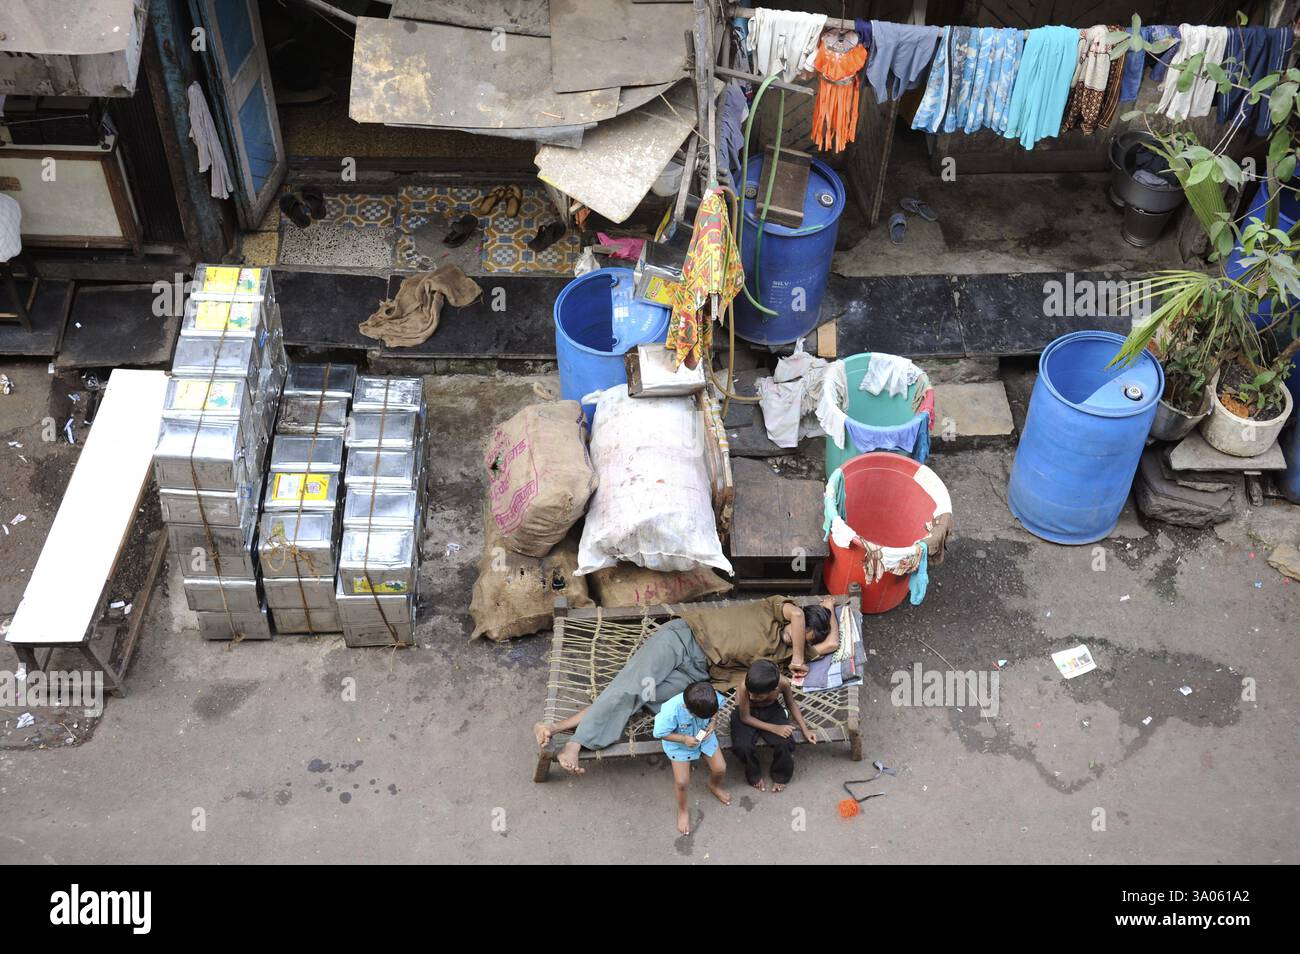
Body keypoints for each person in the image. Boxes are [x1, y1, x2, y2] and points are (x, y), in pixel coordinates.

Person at [533, 597, 838, 774]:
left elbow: (833, 643)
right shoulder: (777, 609)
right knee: (632, 686)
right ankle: (573, 745)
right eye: (807, 633)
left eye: (810, 638)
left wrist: (833, 609)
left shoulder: (785, 654)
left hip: (700, 675)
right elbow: (797, 615)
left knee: (641, 703)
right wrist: (800, 652)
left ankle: (554, 729)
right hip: (683, 638)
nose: (805, 638)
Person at [653, 681, 730, 834]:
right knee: (682, 782)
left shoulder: (710, 697)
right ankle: (682, 810)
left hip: (704, 736)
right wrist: (683, 739)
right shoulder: (671, 710)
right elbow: (659, 733)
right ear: (687, 709)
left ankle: (714, 786)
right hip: (680, 744)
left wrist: (713, 721)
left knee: (720, 768)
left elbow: (715, 709)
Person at [731, 659, 816, 792]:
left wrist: (805, 729)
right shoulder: (744, 687)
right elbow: (745, 717)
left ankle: (780, 775)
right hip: (746, 713)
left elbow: (791, 704)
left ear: (774, 689)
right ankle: (753, 774)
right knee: (742, 746)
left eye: (759, 696)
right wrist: (774, 728)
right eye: (751, 693)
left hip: (771, 710)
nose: (752, 697)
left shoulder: (783, 684)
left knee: (785, 743)